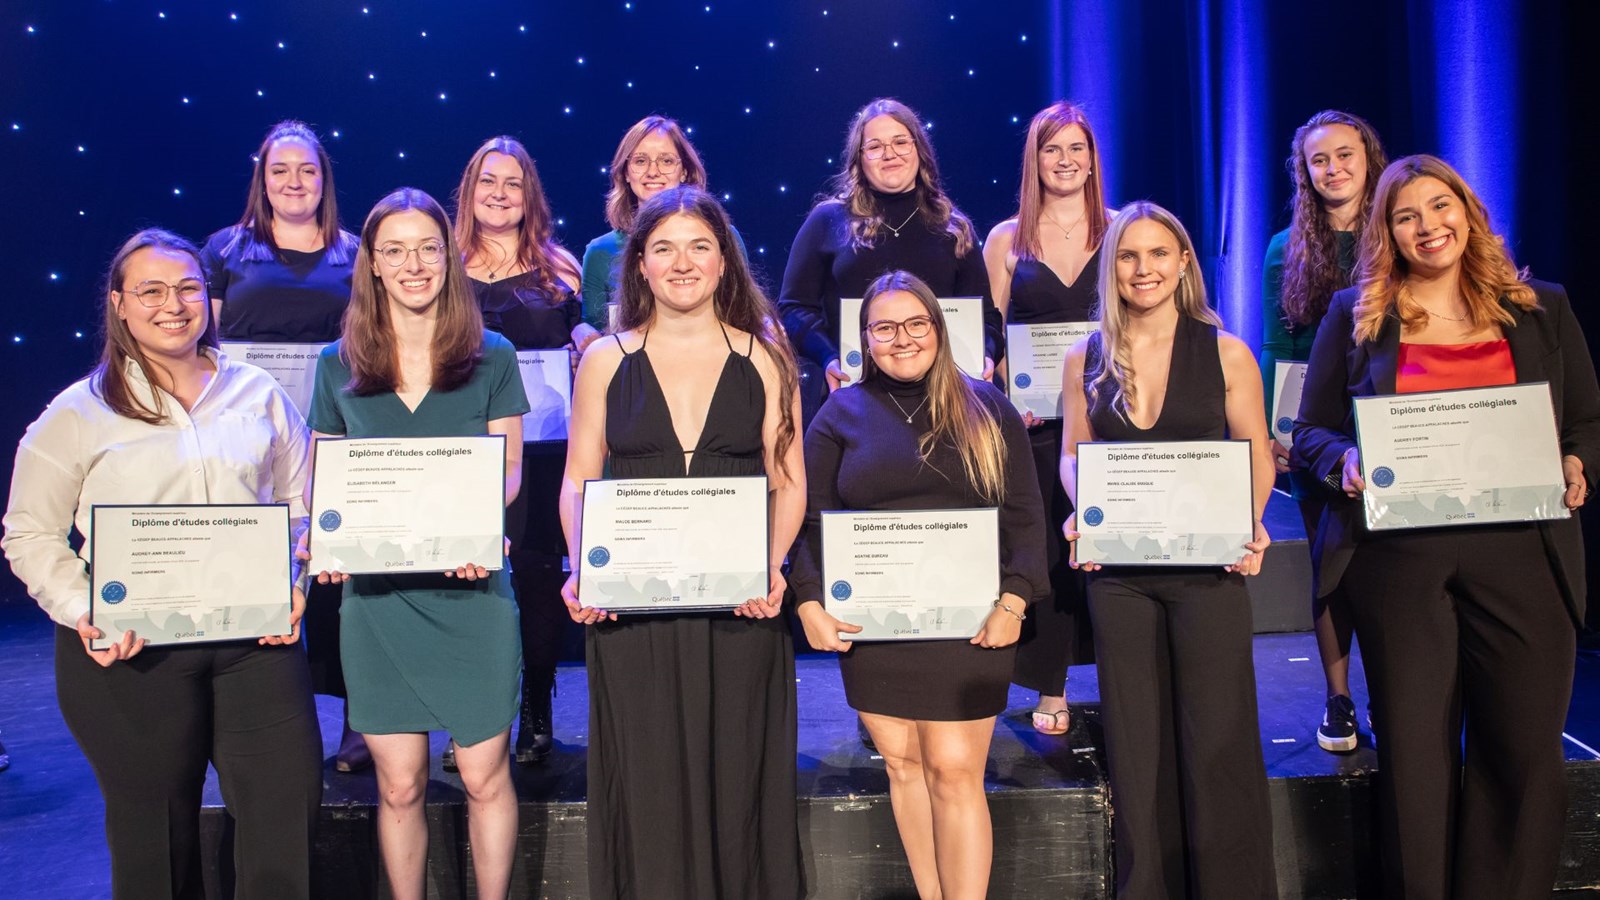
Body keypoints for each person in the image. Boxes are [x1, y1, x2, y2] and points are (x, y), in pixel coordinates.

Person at [1294, 154, 1599, 900]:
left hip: (1524, 553)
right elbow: (1309, 433)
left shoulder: (1540, 307)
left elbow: (1587, 420)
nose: (1428, 227)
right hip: (1400, 562)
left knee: (1524, 752)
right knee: (1417, 759)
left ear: (1468, 210)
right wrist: (1350, 462)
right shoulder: (1356, 314)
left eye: (1440, 207)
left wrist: (1576, 461)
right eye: (1406, 216)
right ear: (1386, 233)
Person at [2, 228, 322, 898]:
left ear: (209, 298)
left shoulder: (257, 392)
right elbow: (28, 533)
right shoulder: (78, 412)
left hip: (254, 642)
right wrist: (85, 611)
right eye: (150, 290)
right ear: (119, 304)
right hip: (132, 648)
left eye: (186, 288)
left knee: (282, 819)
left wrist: (295, 580)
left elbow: (302, 505)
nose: (172, 304)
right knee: (155, 839)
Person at [560, 186, 805, 899]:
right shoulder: (606, 359)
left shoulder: (763, 357)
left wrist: (771, 566)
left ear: (724, 261)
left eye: (699, 246)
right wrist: (582, 569)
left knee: (738, 777)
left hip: (739, 611)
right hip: (633, 612)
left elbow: (789, 481)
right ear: (638, 265)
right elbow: (578, 480)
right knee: (648, 782)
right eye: (662, 248)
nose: (682, 263)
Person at [791, 270, 1048, 900]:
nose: (901, 339)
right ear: (864, 338)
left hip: (972, 622)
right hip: (877, 626)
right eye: (884, 327)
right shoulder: (839, 413)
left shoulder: (988, 406)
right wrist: (808, 600)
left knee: (956, 771)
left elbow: (1025, 517)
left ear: (938, 328)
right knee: (905, 768)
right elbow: (805, 521)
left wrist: (1015, 599)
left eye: (916, 324)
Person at [304, 189, 530, 900]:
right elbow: (323, 476)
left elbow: (511, 467)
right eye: (394, 250)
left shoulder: (491, 354)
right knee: (398, 786)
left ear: (449, 257)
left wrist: (474, 527)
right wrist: (327, 537)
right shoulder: (336, 363)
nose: (413, 264)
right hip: (379, 602)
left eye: (428, 247)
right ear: (370, 263)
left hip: (472, 594)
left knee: (483, 776)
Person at [1060, 202, 1278, 898]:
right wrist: (1082, 512)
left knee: (1218, 736)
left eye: (1158, 254)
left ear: (1184, 263)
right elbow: (1075, 455)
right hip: (1119, 575)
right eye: (1128, 256)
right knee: (1136, 740)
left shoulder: (1225, 351)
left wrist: (1251, 519)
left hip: (1207, 569)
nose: (1143, 269)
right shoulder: (1084, 356)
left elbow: (1256, 453)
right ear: (1111, 268)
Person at [200, 119, 369, 771]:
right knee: (256, 570)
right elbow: (202, 346)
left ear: (324, 180)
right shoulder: (224, 249)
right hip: (250, 439)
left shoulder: (354, 253)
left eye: (307, 170)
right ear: (262, 179)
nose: (294, 181)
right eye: (280, 170)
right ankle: (261, 725)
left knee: (337, 574)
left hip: (335, 433)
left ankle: (359, 721)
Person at [451, 135, 587, 770]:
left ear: (529, 195)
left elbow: (578, 343)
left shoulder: (560, 268)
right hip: (463, 455)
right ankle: (469, 717)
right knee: (465, 580)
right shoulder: (443, 266)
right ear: (469, 192)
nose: (499, 194)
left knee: (534, 580)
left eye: (512, 184)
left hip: (541, 451)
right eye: (488, 182)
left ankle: (536, 706)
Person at [983, 100, 1113, 736]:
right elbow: (994, 340)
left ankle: (1121, 672)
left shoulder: (1120, 232)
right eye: (1052, 149)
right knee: (1049, 550)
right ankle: (1051, 684)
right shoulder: (1007, 239)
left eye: (1076, 149)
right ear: (1034, 160)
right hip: (1036, 426)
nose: (1065, 161)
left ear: (1092, 160)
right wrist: (1008, 394)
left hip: (1113, 420)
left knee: (1109, 545)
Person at [1259, 110, 1388, 752]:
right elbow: (1276, 342)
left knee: (1393, 570)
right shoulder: (1287, 246)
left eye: (1344, 155)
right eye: (1319, 160)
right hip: (1318, 427)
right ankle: (1338, 700)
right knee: (1329, 566)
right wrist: (1275, 429)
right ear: (1304, 172)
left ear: (1368, 158)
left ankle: (1393, 694)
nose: (1333, 169)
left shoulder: (1396, 231)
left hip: (1392, 416)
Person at [779, 97, 1003, 405]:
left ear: (919, 150)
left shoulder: (954, 228)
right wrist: (829, 357)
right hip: (855, 395)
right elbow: (793, 308)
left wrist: (986, 354)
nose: (890, 154)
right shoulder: (828, 220)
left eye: (900, 142)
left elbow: (986, 318)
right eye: (875, 147)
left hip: (942, 398)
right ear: (859, 158)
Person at [579, 116, 746, 334]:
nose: (653, 171)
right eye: (640, 161)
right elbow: (593, 332)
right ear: (626, 173)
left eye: (666, 161)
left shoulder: (723, 236)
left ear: (684, 171)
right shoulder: (600, 252)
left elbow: (744, 311)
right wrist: (580, 331)